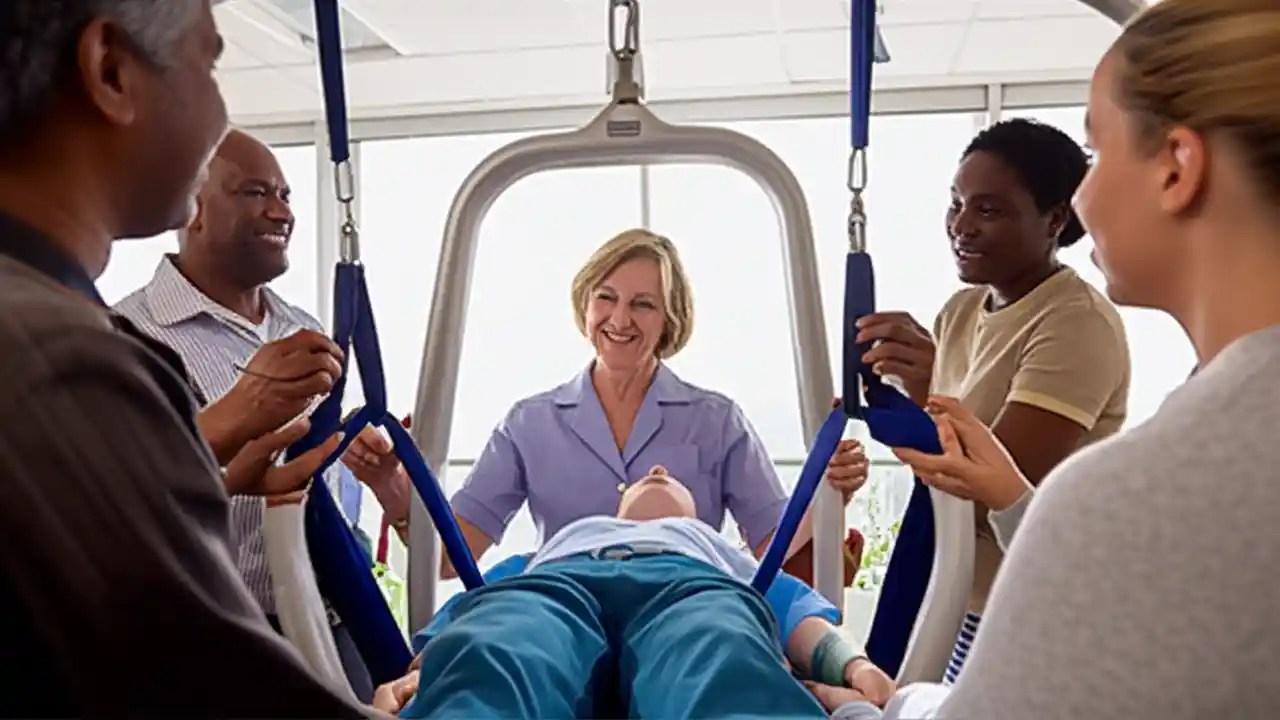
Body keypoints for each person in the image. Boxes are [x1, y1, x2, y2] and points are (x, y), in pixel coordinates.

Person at [842, 0, 1280, 716]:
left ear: (1176, 168)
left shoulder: (1132, 494)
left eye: (1098, 153)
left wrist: (863, 709)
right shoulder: (1202, 451)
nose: (1084, 194)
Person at [0, 1, 390, 715]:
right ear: (111, 71)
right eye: (208, 66)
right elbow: (197, 677)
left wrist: (203, 488)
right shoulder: (74, 359)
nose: (218, 111)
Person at [346, 228, 868, 584]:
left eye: (643, 304)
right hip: (567, 619)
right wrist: (390, 483)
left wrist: (828, 491)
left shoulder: (716, 419)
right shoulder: (530, 423)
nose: (620, 318)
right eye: (606, 297)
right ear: (585, 303)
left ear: (670, 318)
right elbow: (448, 559)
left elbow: (771, 549)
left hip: (681, 616)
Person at [854, 118, 1131, 681]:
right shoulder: (960, 312)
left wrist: (906, 418)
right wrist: (912, 390)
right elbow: (950, 434)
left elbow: (997, 484)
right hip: (958, 596)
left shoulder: (1073, 322)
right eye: (956, 203)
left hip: (1028, 608)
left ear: (1054, 219)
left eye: (988, 210)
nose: (961, 225)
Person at [114, 128, 386, 701]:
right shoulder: (128, 338)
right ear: (191, 207)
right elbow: (116, 501)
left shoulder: (304, 328)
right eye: (256, 191)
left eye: (285, 194)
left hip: (337, 625)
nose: (281, 211)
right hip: (218, 642)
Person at [379, 470, 896, 719]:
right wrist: (418, 676)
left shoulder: (715, 551)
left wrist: (855, 667)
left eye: (672, 477)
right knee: (506, 644)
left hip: (690, 589)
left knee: (718, 648)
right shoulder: (560, 544)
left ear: (696, 517)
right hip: (558, 585)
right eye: (647, 476)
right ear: (616, 505)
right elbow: (481, 617)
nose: (658, 469)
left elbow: (790, 613)